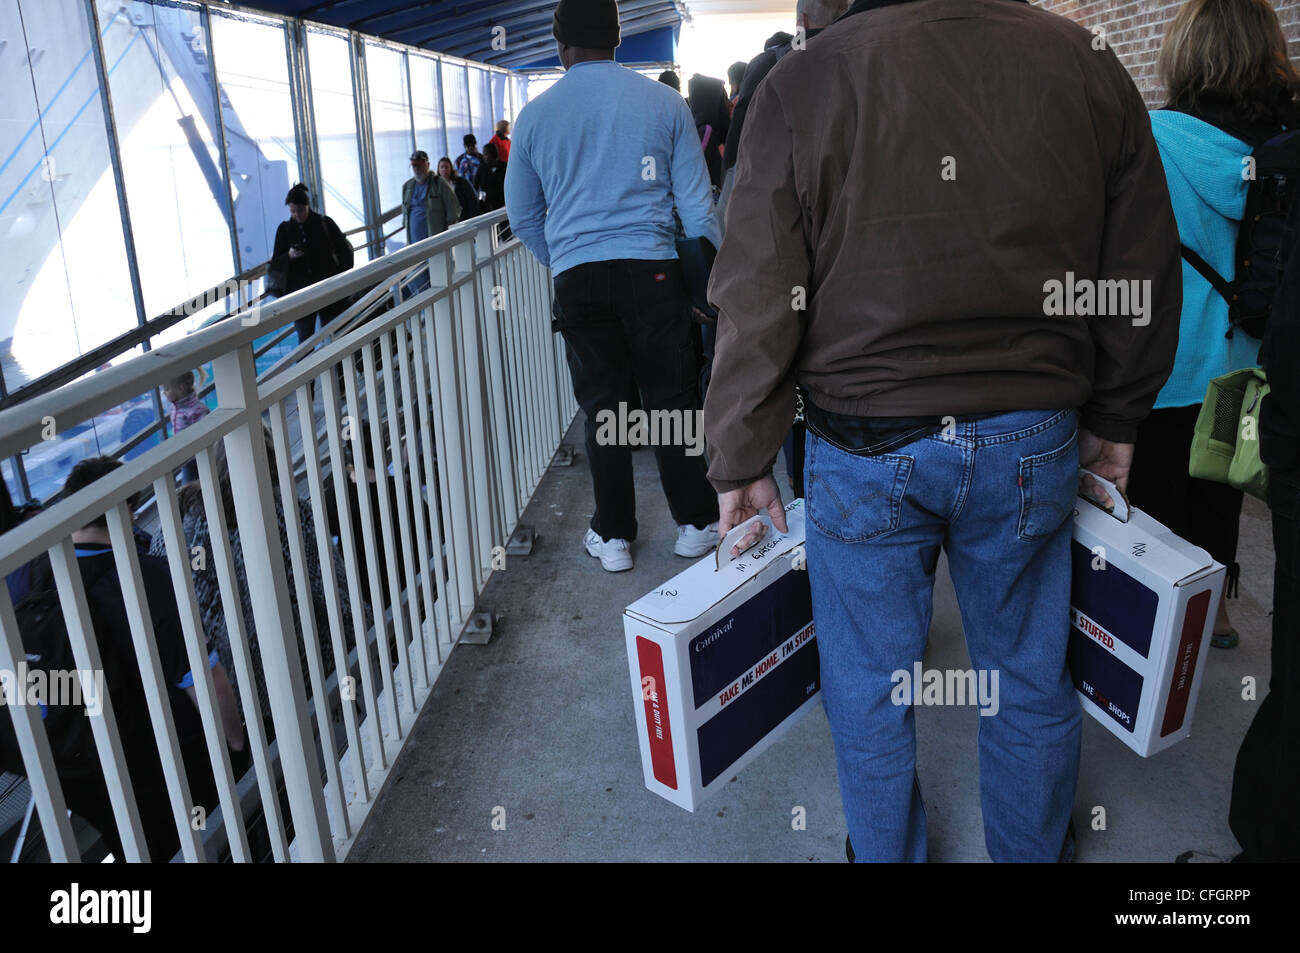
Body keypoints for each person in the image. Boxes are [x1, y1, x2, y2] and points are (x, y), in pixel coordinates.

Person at [704, 0, 1181, 862]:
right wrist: (1117, 413)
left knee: (866, 683)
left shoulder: (804, 82)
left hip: (860, 437)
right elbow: (1139, 259)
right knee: (1026, 671)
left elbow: (758, 285)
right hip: (1031, 431)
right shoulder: (1083, 63)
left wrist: (740, 452)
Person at [505, 0, 722, 573]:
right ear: (618, 39)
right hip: (653, 271)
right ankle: (697, 524)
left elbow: (522, 216)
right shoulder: (663, 102)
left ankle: (615, 537)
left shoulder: (535, 116)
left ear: (560, 43)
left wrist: (567, 260)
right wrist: (707, 286)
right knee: (670, 399)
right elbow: (697, 210)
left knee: (605, 405)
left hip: (579, 277)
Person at [1126, 0, 1300, 651]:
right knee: (1222, 481)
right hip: (1253, 363)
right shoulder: (1286, 146)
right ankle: (1217, 614)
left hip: (1169, 359)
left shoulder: (1153, 139)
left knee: (1155, 492)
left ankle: (1157, 621)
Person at [52, 457, 243, 860]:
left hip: (82, 764)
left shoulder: (40, 576)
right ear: (125, 511)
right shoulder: (145, 577)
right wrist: (238, 745)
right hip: (165, 760)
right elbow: (203, 678)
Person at [150, 429, 366, 727]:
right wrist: (364, 633)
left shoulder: (179, 521)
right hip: (298, 664)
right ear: (271, 464)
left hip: (231, 678)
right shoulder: (285, 514)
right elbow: (330, 586)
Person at [269, 183, 352, 347]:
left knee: (335, 333)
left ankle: (338, 371)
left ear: (308, 206)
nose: (297, 215)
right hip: (301, 293)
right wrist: (289, 256)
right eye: (293, 211)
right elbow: (276, 260)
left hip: (328, 288)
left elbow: (344, 250)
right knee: (305, 339)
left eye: (300, 210)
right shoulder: (284, 229)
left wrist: (343, 276)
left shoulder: (324, 223)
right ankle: (312, 371)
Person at [402, 150, 461, 296]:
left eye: (420, 165)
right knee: (419, 279)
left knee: (441, 276)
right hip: (415, 244)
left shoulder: (438, 183)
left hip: (436, 242)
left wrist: (448, 235)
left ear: (427, 165)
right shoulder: (408, 186)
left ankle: (446, 302)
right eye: (414, 165)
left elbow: (453, 208)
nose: (417, 168)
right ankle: (428, 307)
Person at [163, 369, 209, 484]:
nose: (164, 393)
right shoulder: (175, 408)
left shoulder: (197, 410)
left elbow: (208, 434)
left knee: (195, 486)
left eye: (167, 389)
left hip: (200, 458)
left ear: (181, 388)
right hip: (187, 459)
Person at [687, 73, 730, 190]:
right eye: (725, 99)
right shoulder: (706, 131)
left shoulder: (701, 130)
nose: (729, 103)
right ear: (714, 103)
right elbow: (694, 170)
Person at [438, 155, 479, 221]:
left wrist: (469, 218)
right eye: (442, 167)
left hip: (464, 219)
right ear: (438, 169)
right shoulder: (435, 186)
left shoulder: (461, 182)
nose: (444, 169)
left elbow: (473, 200)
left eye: (446, 167)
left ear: (451, 168)